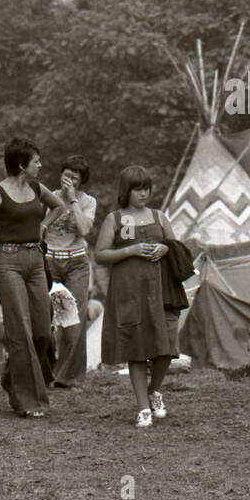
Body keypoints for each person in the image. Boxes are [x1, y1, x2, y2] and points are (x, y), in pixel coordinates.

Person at [0, 137, 65, 418]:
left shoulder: (36, 187)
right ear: (22, 164)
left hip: (36, 260)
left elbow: (59, 206)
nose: (41, 165)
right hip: (7, 261)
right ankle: (29, 401)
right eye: (36, 161)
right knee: (20, 330)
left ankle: (11, 378)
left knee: (42, 331)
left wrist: (43, 227)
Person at [95, 166, 178, 428]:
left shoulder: (160, 217)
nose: (144, 194)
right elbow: (101, 254)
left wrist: (165, 248)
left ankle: (154, 390)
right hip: (129, 291)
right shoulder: (115, 219)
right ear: (126, 191)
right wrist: (130, 251)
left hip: (161, 290)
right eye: (138, 189)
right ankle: (143, 407)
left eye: (146, 188)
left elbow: (176, 247)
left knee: (166, 346)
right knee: (136, 348)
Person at [43, 156, 96, 388]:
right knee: (44, 319)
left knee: (73, 320)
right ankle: (46, 373)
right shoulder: (48, 197)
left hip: (76, 262)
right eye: (67, 175)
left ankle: (69, 377)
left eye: (75, 177)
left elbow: (84, 229)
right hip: (49, 261)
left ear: (81, 181)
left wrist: (73, 200)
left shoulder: (87, 201)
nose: (69, 180)